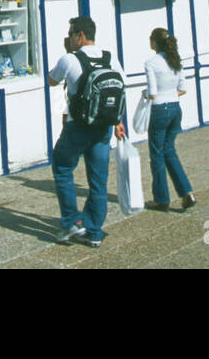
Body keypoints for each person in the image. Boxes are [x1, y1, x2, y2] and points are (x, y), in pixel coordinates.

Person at [47, 16, 125, 248]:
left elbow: (51, 80)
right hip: (103, 127)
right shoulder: (111, 58)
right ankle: (94, 232)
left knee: (62, 167)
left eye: (71, 34)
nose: (69, 38)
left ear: (80, 35)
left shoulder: (69, 59)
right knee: (98, 181)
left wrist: (66, 56)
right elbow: (119, 89)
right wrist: (118, 121)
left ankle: (72, 221)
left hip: (77, 127)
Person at [143, 28, 195, 212]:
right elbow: (182, 88)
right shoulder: (176, 61)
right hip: (175, 108)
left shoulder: (151, 63)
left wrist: (146, 94)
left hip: (160, 109)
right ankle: (186, 192)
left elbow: (152, 92)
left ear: (155, 43)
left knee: (156, 154)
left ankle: (161, 199)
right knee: (170, 151)